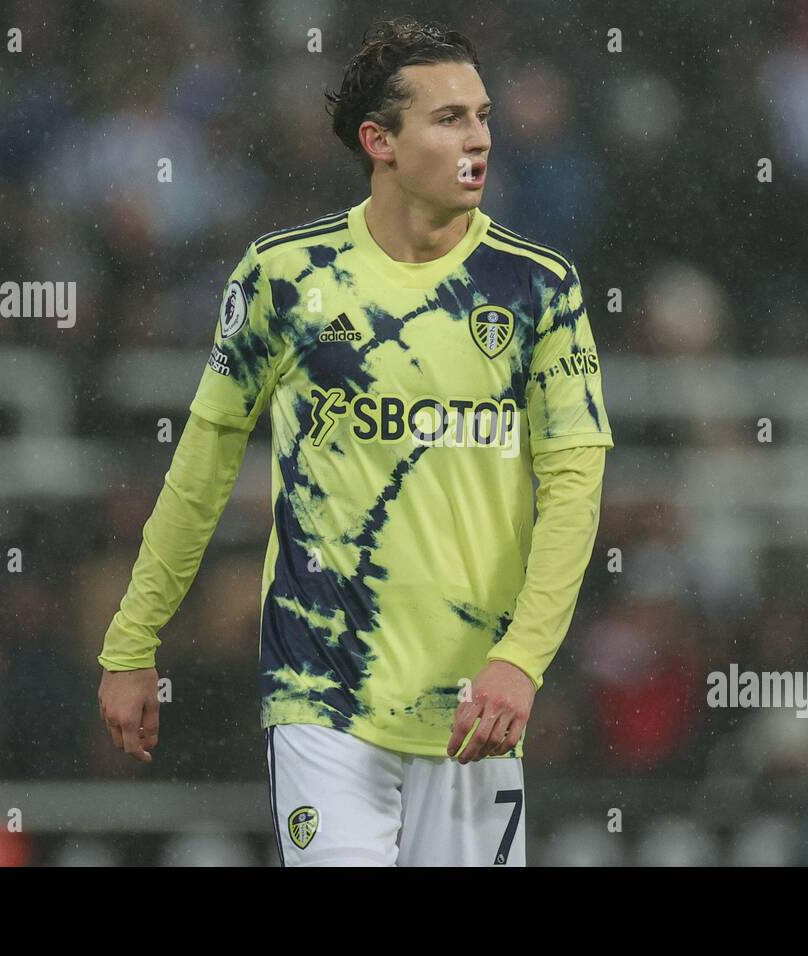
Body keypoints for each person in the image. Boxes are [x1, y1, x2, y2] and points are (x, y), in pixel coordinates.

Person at [97, 16, 612, 866]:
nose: (478, 137)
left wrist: (521, 659)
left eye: (482, 115)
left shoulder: (538, 290)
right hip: (320, 692)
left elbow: (574, 489)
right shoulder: (284, 278)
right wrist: (133, 637)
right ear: (380, 141)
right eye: (449, 119)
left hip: (472, 706)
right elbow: (204, 463)